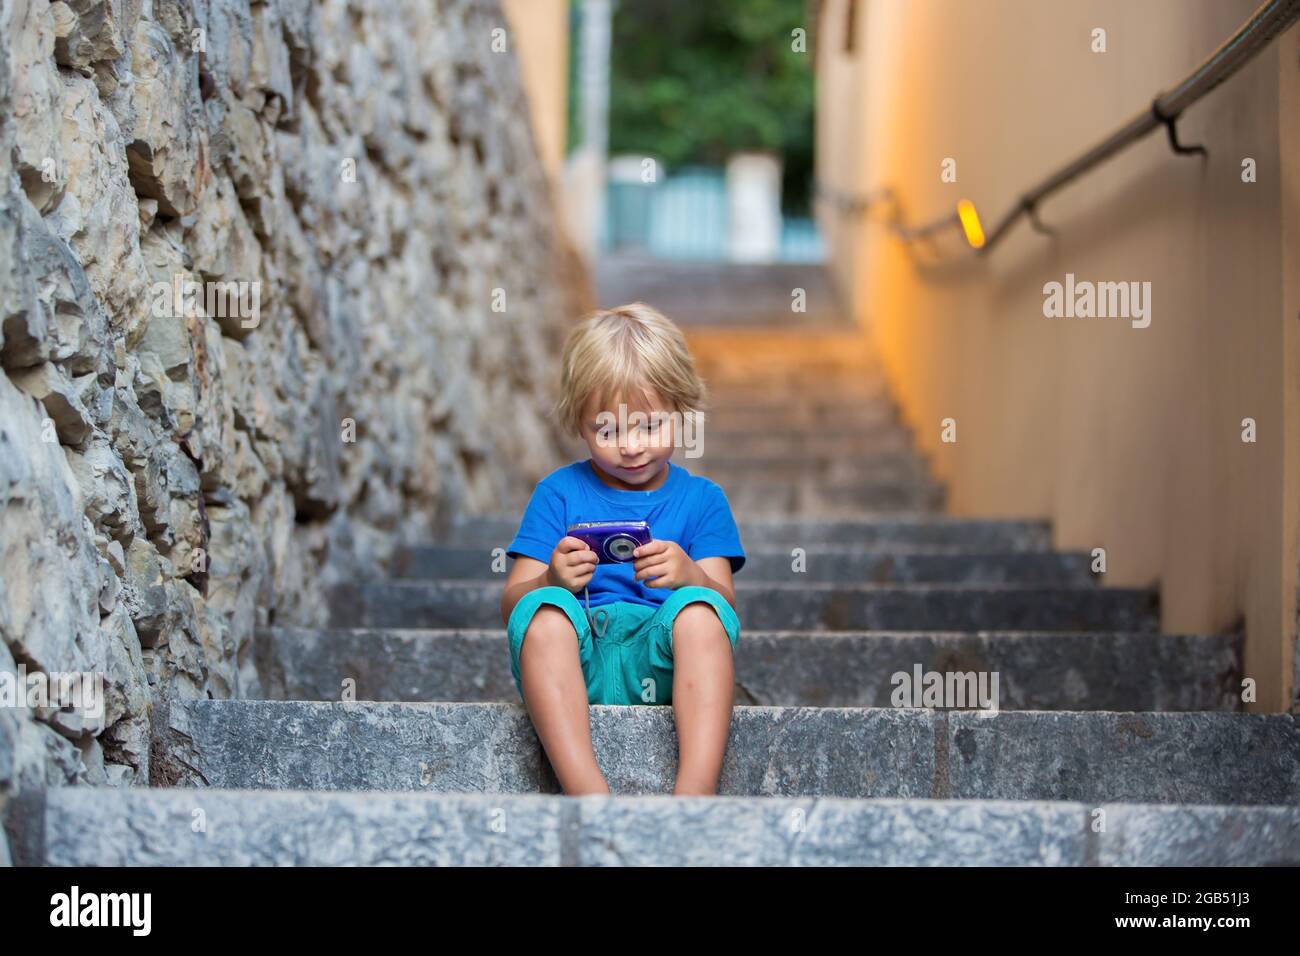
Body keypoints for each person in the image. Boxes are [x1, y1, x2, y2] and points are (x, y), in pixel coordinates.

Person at [500, 302, 746, 796]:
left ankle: (695, 795)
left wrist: (690, 576)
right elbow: (512, 604)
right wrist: (551, 581)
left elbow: (725, 605)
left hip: (664, 658)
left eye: (651, 426)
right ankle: (589, 797)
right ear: (578, 423)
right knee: (544, 616)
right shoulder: (557, 492)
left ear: (681, 410)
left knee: (700, 614)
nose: (631, 446)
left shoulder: (703, 500)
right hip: (581, 658)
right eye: (608, 430)